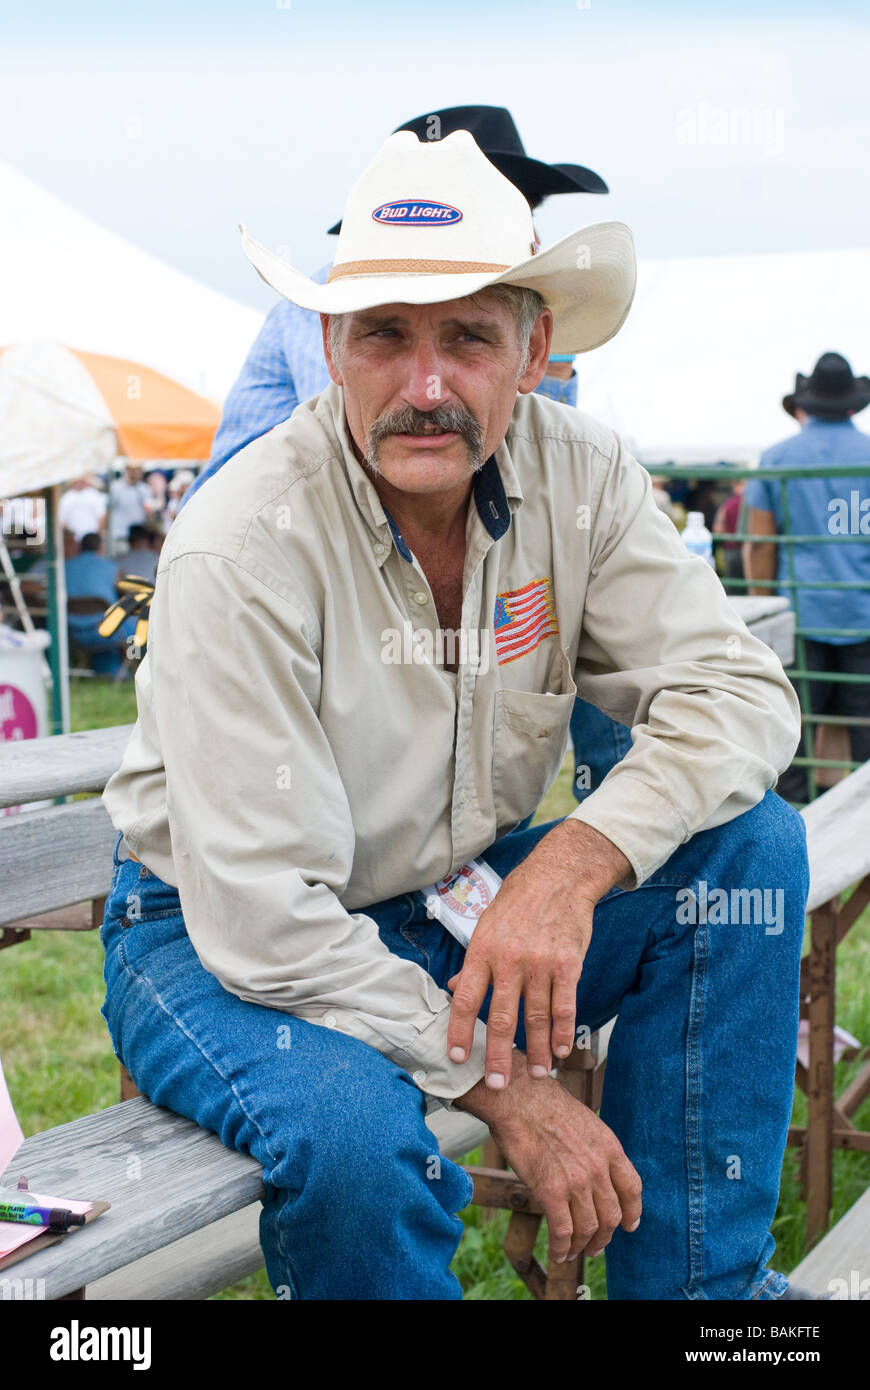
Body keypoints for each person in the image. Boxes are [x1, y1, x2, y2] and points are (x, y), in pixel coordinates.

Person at [100, 130, 808, 1301]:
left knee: (753, 848)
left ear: (532, 350)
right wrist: (509, 1086)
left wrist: (575, 860)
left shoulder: (582, 476)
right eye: (385, 333)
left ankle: (700, 1300)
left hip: (441, 903)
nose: (424, 386)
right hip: (214, 932)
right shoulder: (239, 541)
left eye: (468, 336)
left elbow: (737, 691)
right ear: (331, 346)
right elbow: (267, 916)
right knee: (352, 1141)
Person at [178, 103, 629, 808]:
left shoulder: (517, 306)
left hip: (393, 547)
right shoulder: (346, 295)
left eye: (523, 207)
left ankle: (602, 822)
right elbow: (389, 432)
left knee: (578, 615)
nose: (524, 220)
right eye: (512, 201)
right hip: (285, 569)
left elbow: (528, 456)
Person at [744, 352, 870, 802]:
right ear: (852, 404)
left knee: (791, 729)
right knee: (863, 737)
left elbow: (760, 543)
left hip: (801, 617)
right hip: (863, 615)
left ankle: (796, 823)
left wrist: (764, 607)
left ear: (807, 403)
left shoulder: (778, 457)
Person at [65, 532, 136, 675]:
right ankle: (130, 670)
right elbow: (127, 592)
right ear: (101, 548)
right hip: (106, 630)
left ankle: (112, 671)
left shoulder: (65, 567)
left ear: (80, 547)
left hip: (73, 631)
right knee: (137, 628)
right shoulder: (112, 568)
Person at [108, 463, 153, 554]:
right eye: (131, 469)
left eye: (137, 470)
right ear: (126, 470)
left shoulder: (145, 489)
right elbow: (108, 511)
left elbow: (149, 512)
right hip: (121, 536)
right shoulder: (115, 488)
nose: (134, 472)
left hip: (139, 538)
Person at [58, 474, 107, 551]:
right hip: (74, 540)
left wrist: (98, 536)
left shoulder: (94, 495)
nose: (79, 483)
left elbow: (102, 517)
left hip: (92, 538)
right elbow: (63, 522)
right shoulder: (66, 498)